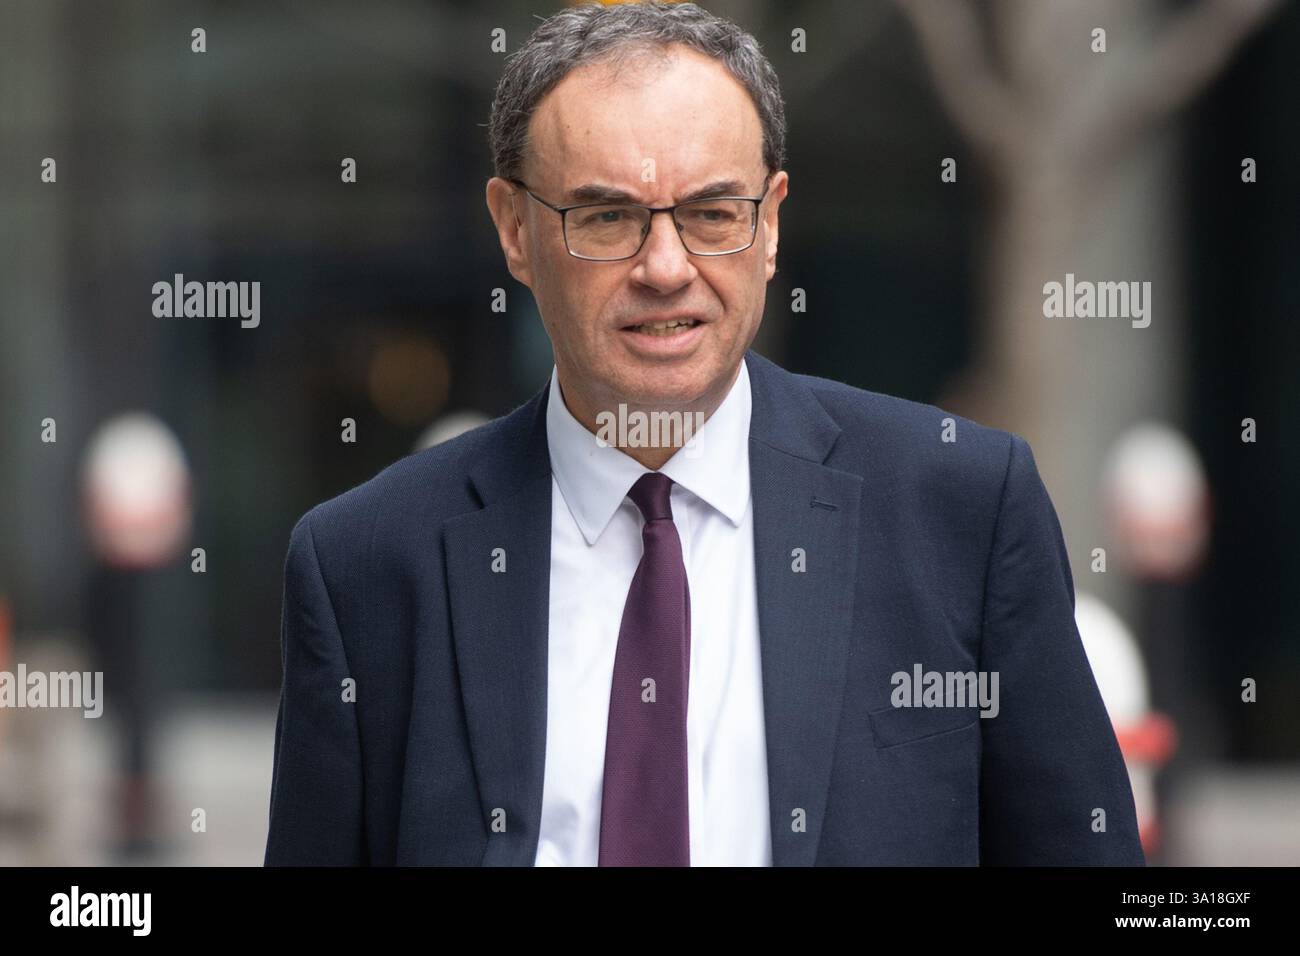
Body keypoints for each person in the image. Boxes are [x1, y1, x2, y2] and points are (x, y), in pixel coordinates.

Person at [264, 1, 1143, 866]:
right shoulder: (366, 566)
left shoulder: (962, 512)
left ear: (769, 224)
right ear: (514, 229)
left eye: (712, 213)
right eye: (606, 217)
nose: (665, 267)